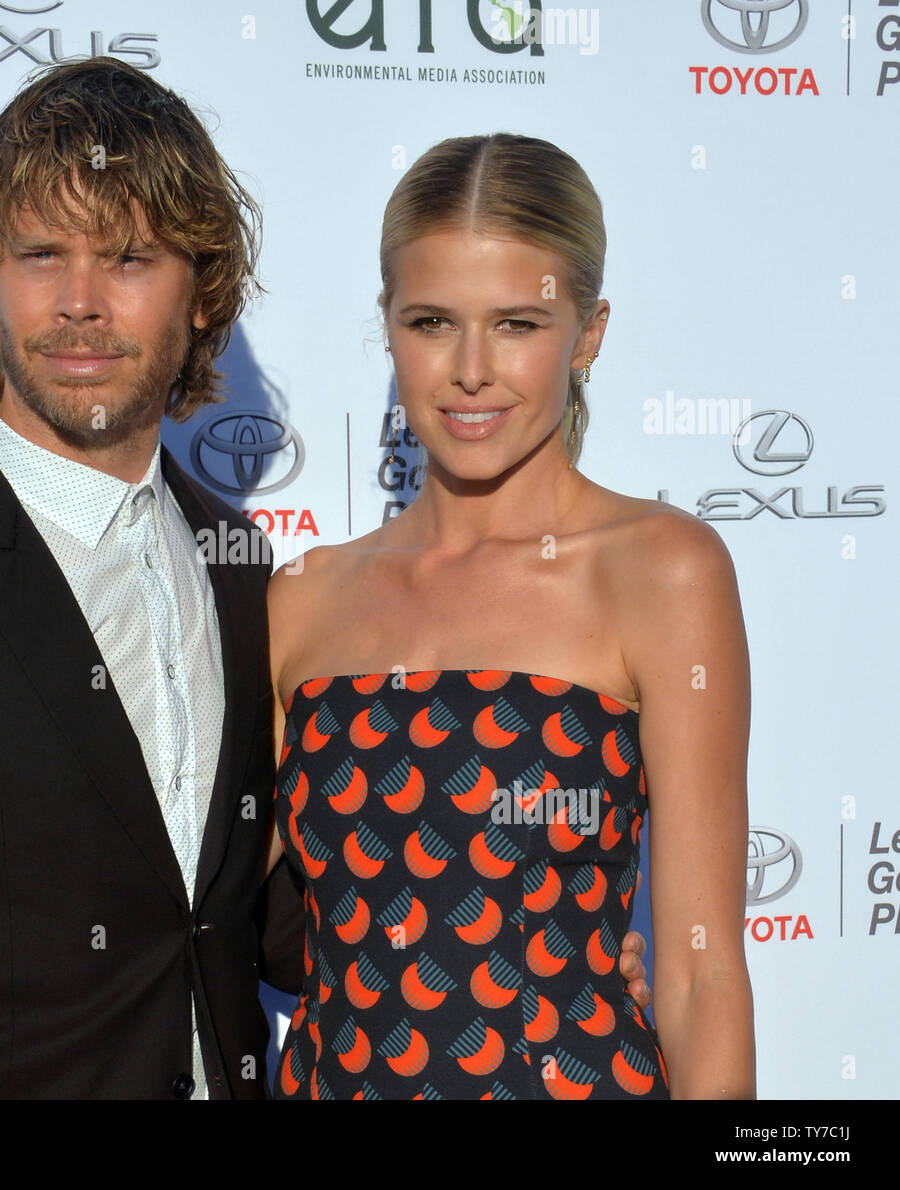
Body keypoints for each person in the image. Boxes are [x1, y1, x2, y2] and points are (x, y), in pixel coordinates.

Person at [0, 57, 657, 1100]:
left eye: (131, 258)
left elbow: (276, 925)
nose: (81, 302)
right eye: (41, 253)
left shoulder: (241, 573)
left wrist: (555, 943)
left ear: (201, 294)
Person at [262, 134, 755, 1099]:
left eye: (520, 324)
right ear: (389, 325)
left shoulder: (663, 572)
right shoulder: (303, 599)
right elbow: (178, 899)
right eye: (434, 320)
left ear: (591, 333)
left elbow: (701, 976)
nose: (472, 370)